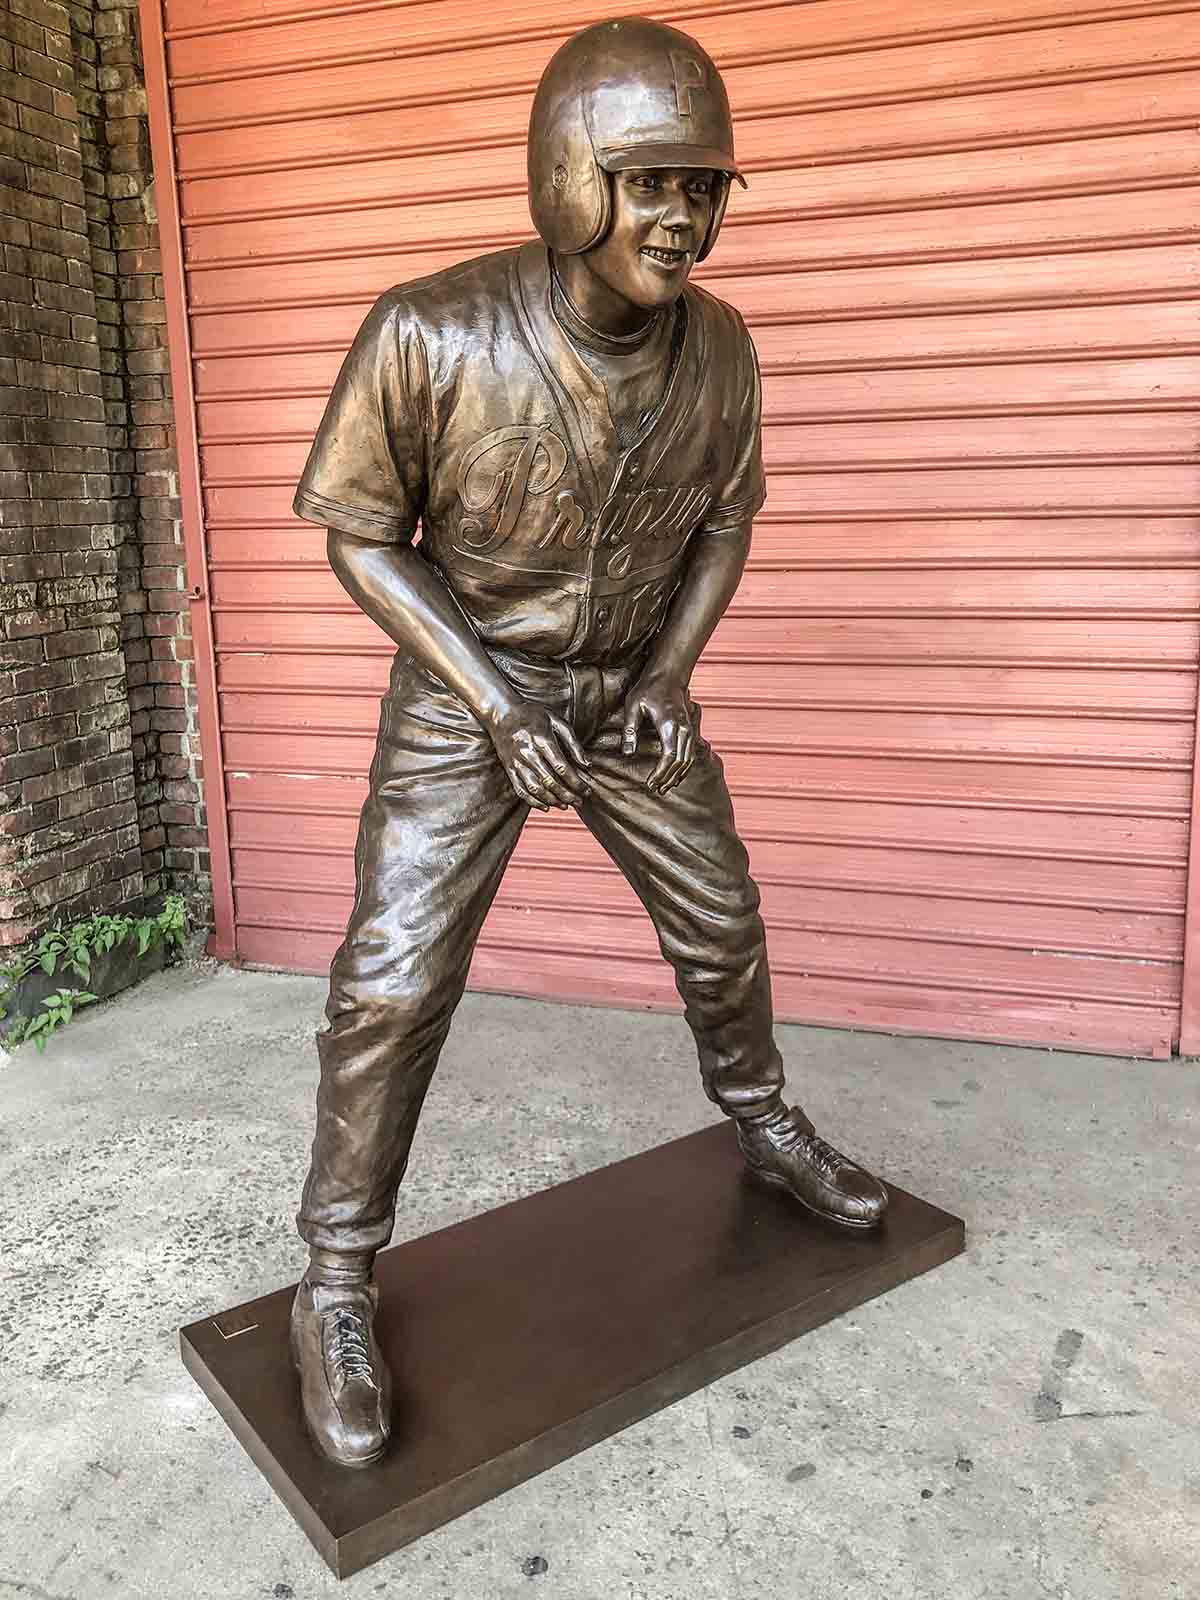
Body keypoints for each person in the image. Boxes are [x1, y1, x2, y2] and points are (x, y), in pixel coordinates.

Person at [287, 15, 888, 1470]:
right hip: (463, 693)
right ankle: (336, 1276)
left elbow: (729, 517)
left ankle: (764, 1125)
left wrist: (669, 677)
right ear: (569, 182)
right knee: (392, 980)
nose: (681, 218)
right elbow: (362, 541)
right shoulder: (427, 329)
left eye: (703, 189)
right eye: (649, 183)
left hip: (626, 690)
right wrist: (497, 706)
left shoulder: (721, 347)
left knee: (724, 923)